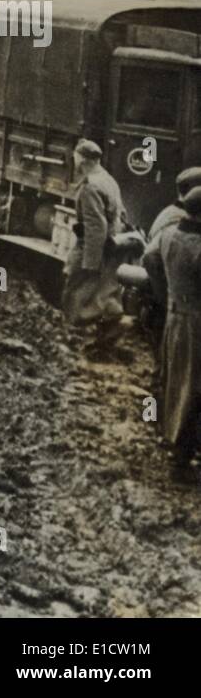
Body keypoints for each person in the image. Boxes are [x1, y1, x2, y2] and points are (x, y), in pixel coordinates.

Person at [143, 186, 201, 484]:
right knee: (194, 388)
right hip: (196, 326)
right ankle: (181, 459)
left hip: (175, 318)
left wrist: (163, 294)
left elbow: (149, 259)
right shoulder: (197, 247)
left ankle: (170, 441)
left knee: (175, 380)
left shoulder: (169, 236)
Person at [61, 139, 131, 344]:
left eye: (75, 156)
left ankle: (75, 333)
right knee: (106, 287)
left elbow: (95, 227)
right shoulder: (108, 179)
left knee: (75, 285)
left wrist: (90, 263)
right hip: (112, 242)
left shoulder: (90, 187)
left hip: (92, 245)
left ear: (81, 159)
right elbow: (122, 213)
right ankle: (112, 323)